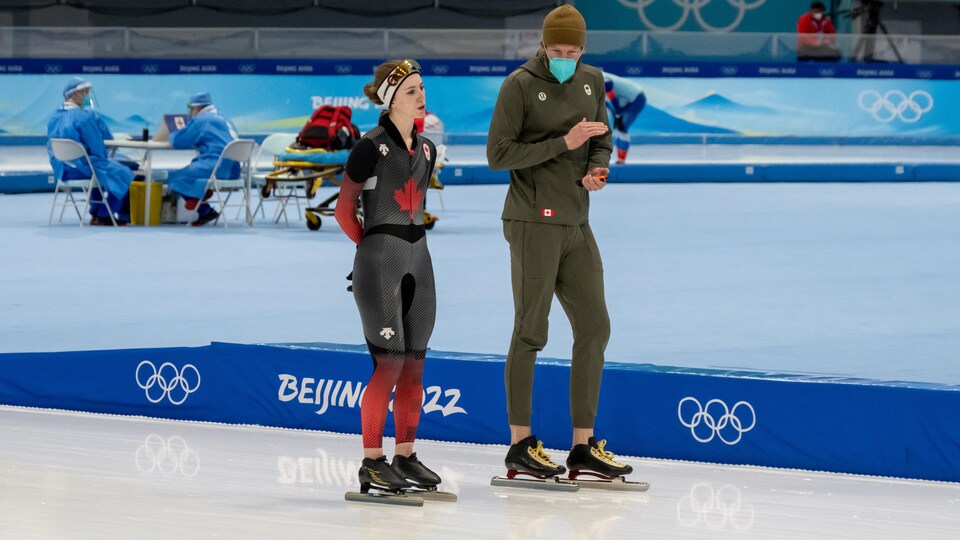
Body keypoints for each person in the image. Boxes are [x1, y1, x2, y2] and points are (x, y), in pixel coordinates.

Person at [487, 4, 635, 484]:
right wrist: (563, 143)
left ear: (584, 49)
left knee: (595, 327)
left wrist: (597, 168)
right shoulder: (519, 85)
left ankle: (582, 447)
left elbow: (601, 137)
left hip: (576, 221)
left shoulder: (591, 79)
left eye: (572, 50)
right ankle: (519, 445)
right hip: (532, 220)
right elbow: (498, 154)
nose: (564, 58)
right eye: (556, 50)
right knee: (531, 330)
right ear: (543, 46)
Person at [334, 59, 444, 500]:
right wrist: (369, 252)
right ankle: (372, 462)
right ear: (390, 98)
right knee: (390, 363)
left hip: (421, 260)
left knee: (415, 363)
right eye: (411, 90)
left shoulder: (428, 150)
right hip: (381, 261)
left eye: (421, 88)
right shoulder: (369, 147)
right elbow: (344, 211)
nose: (421, 95)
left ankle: (405, 454)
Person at [47, 76, 134, 225]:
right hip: (82, 168)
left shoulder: (55, 117)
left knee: (101, 170)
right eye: (85, 92)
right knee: (125, 173)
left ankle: (96, 210)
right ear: (74, 94)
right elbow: (98, 147)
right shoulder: (84, 117)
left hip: (62, 169)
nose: (88, 96)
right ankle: (105, 214)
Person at [167, 92, 239, 226]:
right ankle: (200, 194)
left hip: (216, 166)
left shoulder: (200, 120)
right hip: (235, 170)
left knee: (175, 177)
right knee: (196, 173)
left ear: (196, 108)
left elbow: (178, 142)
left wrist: (171, 134)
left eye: (190, 108)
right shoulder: (223, 117)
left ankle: (203, 207)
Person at [602, 71, 646, 164]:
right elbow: (605, 102)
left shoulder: (598, 77)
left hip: (636, 99)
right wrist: (616, 115)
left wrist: (617, 112)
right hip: (625, 100)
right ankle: (620, 160)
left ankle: (621, 160)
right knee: (618, 129)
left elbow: (608, 85)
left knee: (622, 128)